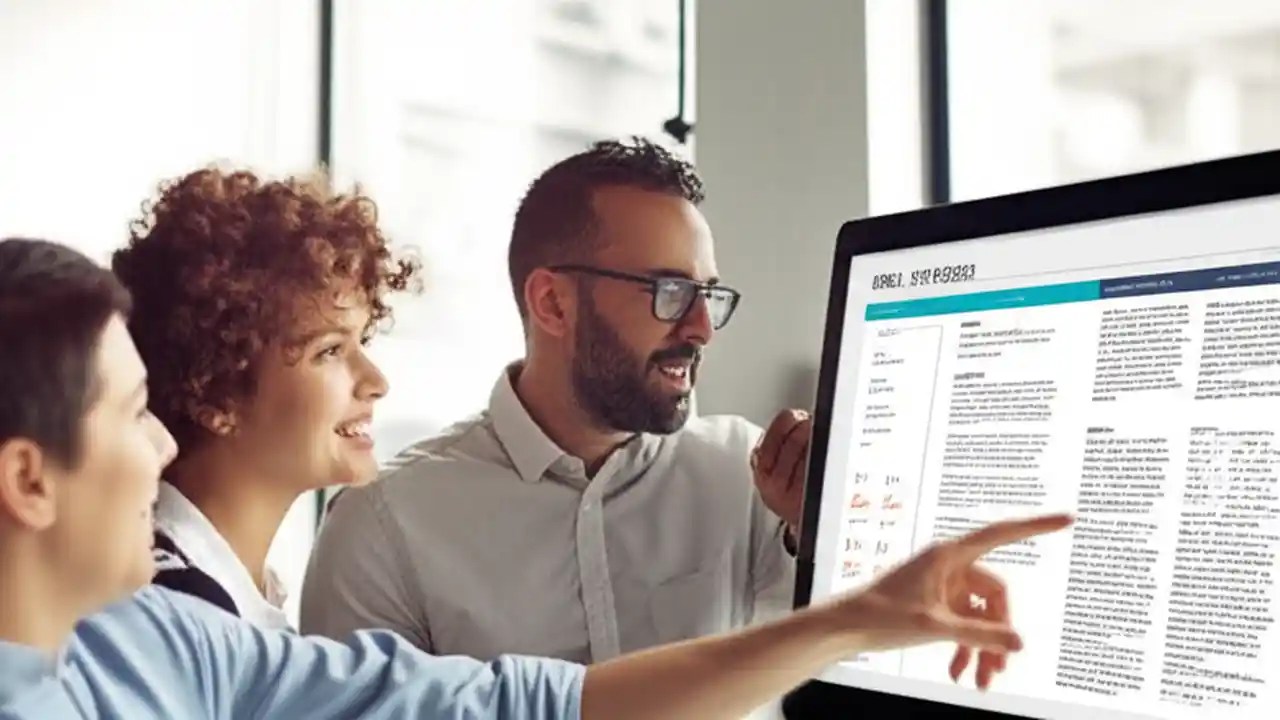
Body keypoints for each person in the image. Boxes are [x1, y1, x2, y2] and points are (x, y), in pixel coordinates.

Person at [0, 236, 1070, 719]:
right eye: (134, 414)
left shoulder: (164, 641)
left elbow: (531, 704)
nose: (164, 445)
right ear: (27, 481)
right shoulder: (379, 524)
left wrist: (854, 613)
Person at [301, 137, 814, 661]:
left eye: (708, 295)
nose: (702, 328)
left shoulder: (759, 481)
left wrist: (821, 525)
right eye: (671, 293)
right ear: (552, 303)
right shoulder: (384, 529)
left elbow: (860, 650)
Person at [109, 167, 417, 628]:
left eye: (361, 344)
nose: (375, 381)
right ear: (215, 395)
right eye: (330, 351)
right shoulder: (172, 606)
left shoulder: (234, 591)